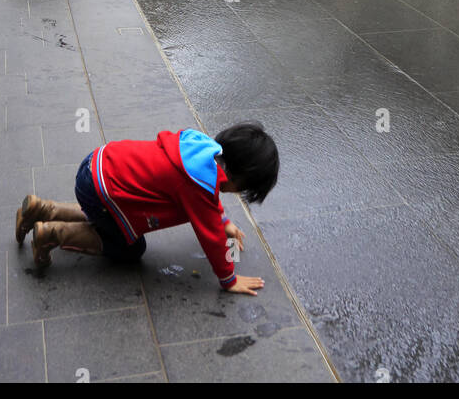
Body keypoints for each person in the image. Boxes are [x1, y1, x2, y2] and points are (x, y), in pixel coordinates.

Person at [15, 122, 279, 293]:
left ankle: (43, 209)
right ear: (241, 177)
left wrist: (225, 223)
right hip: (103, 190)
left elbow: (208, 200)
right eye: (244, 188)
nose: (239, 193)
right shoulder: (199, 186)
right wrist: (229, 280)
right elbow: (210, 235)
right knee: (130, 248)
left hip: (98, 165)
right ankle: (51, 234)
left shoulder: (201, 150)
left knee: (111, 216)